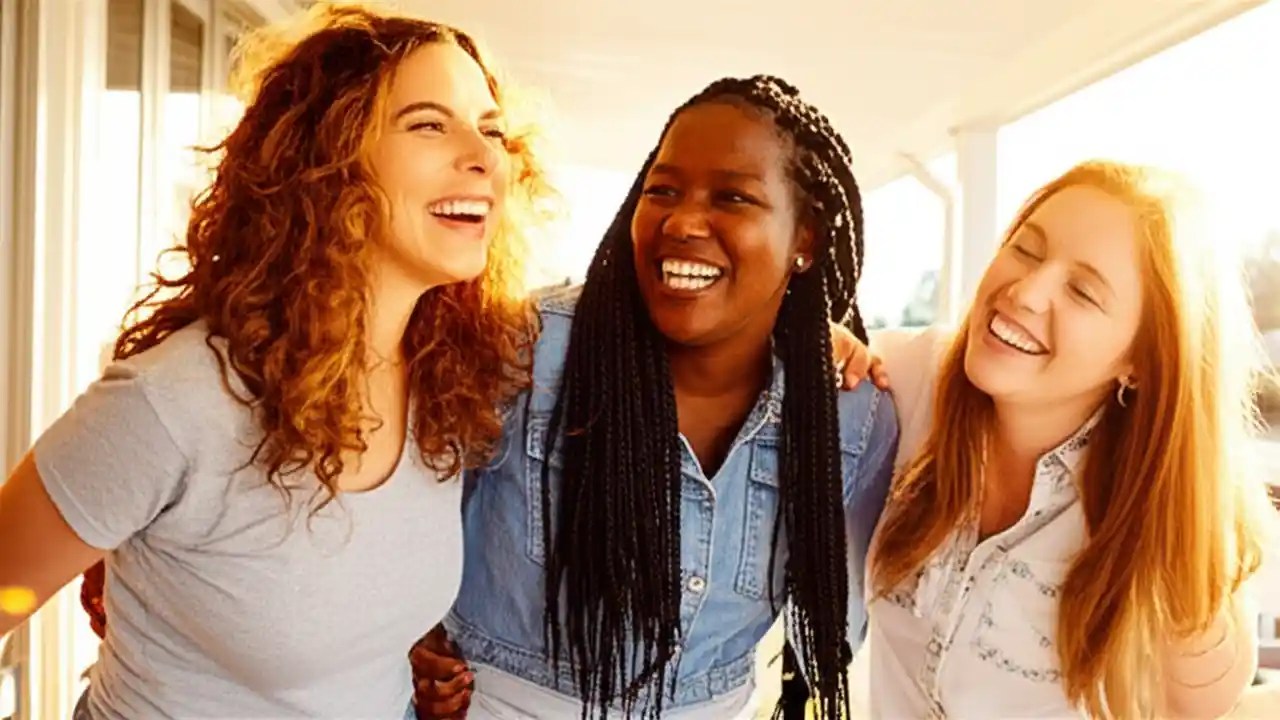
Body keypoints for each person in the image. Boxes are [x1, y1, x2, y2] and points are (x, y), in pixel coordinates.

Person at [0, 3, 552, 718]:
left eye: (492, 129)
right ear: (326, 161)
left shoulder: (445, 389)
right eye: (428, 123)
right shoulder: (175, 402)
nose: (484, 156)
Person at [411, 74, 899, 720]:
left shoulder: (848, 415)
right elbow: (404, 530)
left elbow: (838, 632)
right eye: (662, 190)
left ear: (805, 239)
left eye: (733, 196)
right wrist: (410, 640)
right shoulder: (525, 350)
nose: (684, 220)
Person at [864, 160, 1273, 718]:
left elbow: (1205, 704)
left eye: (1082, 291)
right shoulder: (913, 378)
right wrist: (832, 350)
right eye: (1026, 250)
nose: (1026, 292)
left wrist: (1182, 555)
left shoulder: (1159, 501)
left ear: (1142, 362)